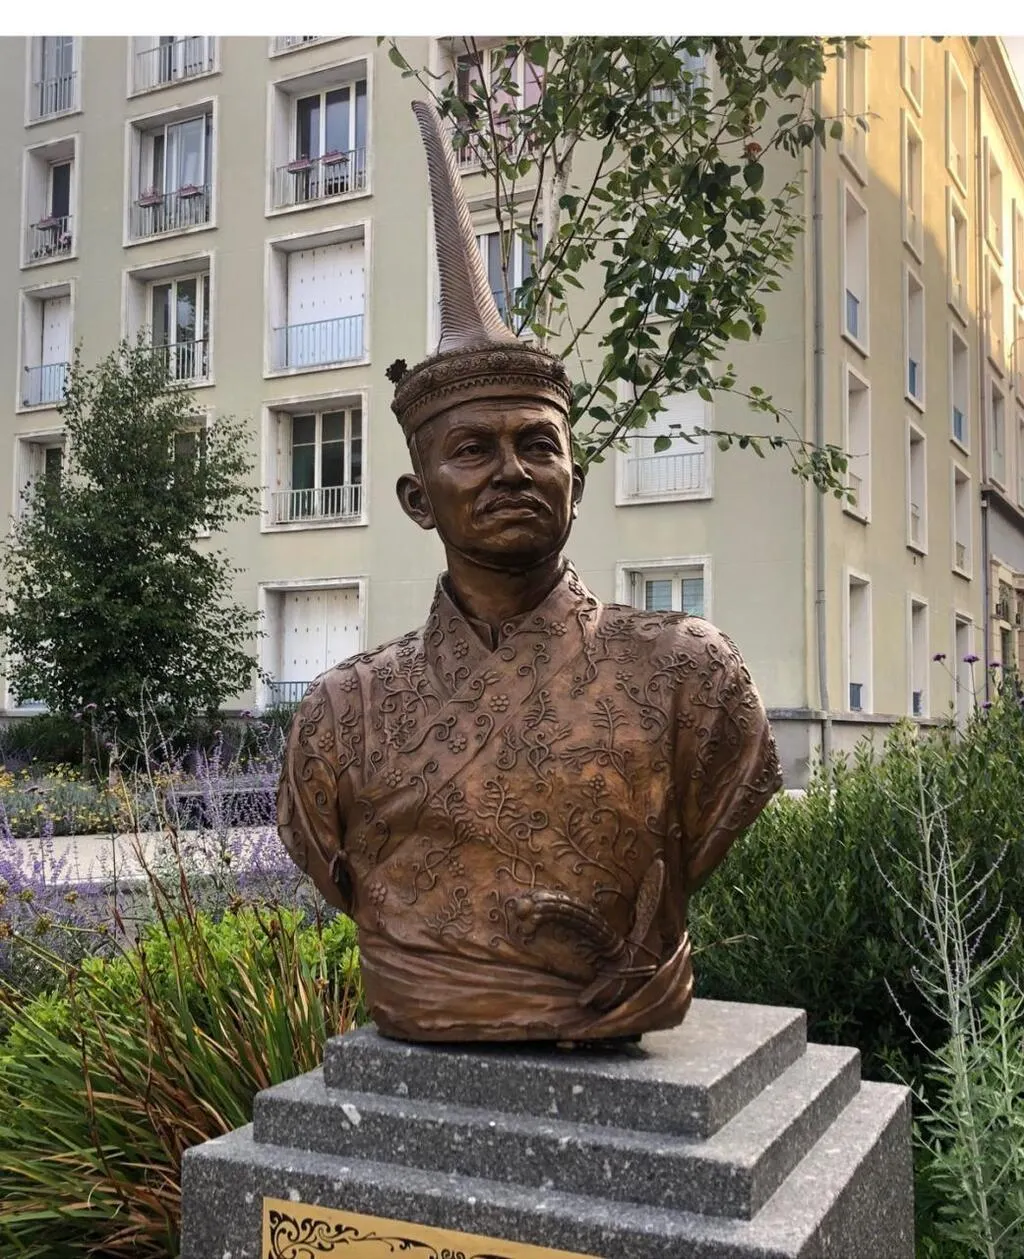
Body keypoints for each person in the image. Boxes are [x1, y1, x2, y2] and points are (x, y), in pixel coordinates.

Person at [277, 102, 782, 1043]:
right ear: (417, 497)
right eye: (471, 448)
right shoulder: (340, 714)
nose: (511, 469)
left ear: (576, 482)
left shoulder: (692, 678)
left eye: (536, 445)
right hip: (418, 1010)